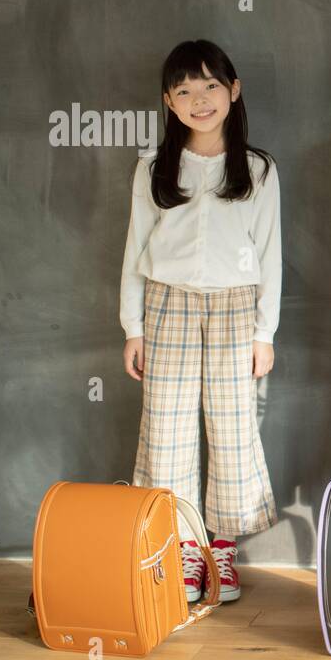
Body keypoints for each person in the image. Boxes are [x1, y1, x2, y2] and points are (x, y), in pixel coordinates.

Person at [120, 39, 282, 603]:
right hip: (167, 305)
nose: (199, 99)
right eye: (184, 90)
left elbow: (270, 256)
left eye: (211, 85)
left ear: (233, 91)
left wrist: (265, 333)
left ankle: (223, 551)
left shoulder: (258, 170)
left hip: (237, 309)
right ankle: (184, 551)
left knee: (233, 430)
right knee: (166, 430)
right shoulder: (152, 169)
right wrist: (132, 328)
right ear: (169, 101)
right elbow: (134, 251)